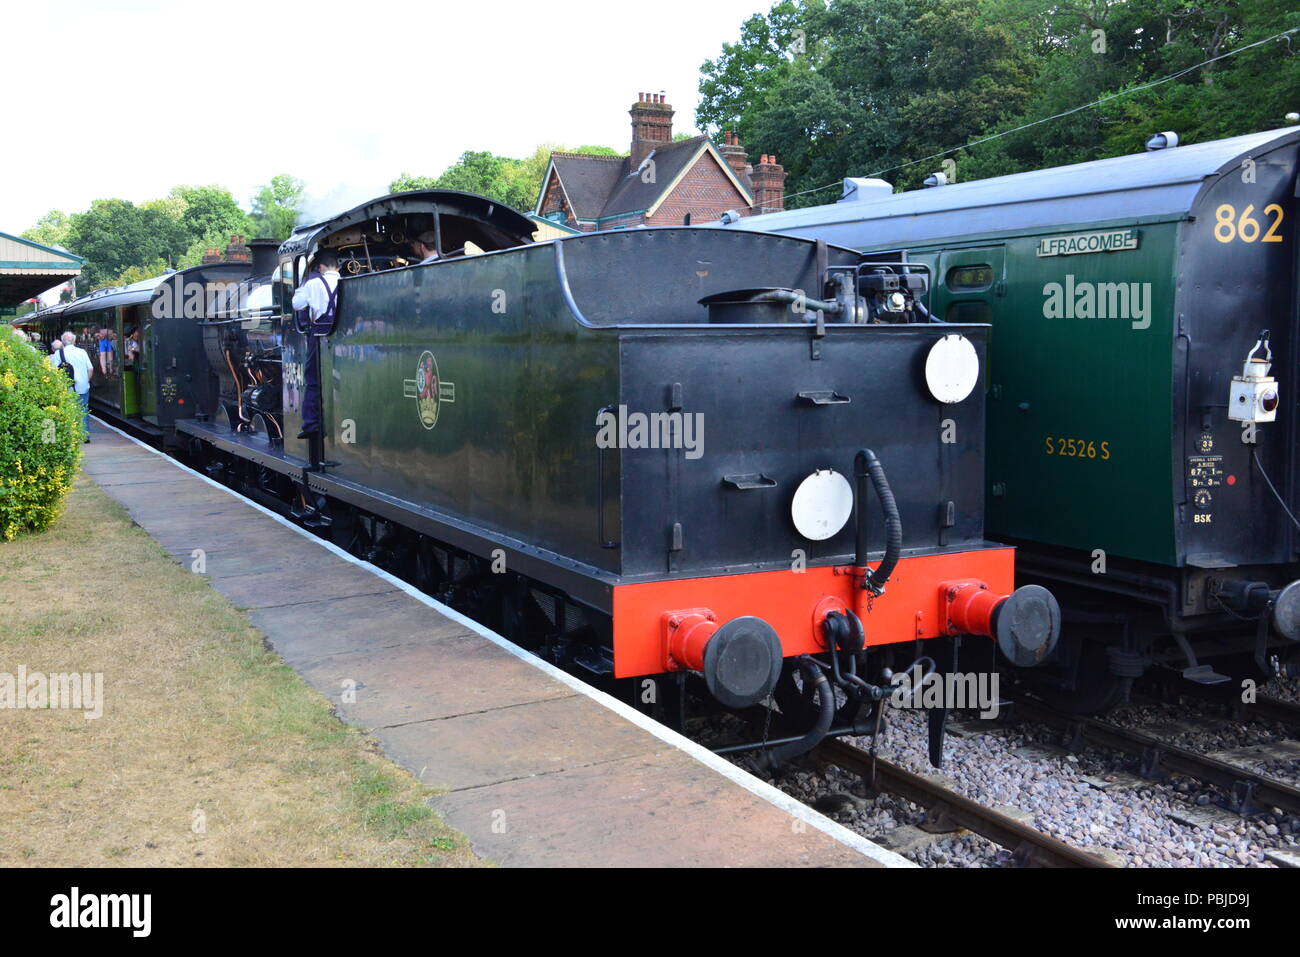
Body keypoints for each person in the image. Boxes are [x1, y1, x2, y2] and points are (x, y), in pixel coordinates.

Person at [290, 249, 340, 439]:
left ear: (320, 267)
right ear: (339, 266)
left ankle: (311, 423)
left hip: (319, 333)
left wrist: (303, 286)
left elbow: (297, 304)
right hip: (342, 332)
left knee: (313, 379)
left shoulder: (313, 283)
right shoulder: (346, 282)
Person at [54, 331, 94, 442]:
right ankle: (84, 436)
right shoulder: (82, 352)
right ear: (74, 341)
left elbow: (54, 371)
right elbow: (90, 369)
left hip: (66, 388)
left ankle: (71, 436)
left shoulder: (59, 354)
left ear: (62, 342)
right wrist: (86, 381)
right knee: (83, 411)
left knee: (68, 411)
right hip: (83, 387)